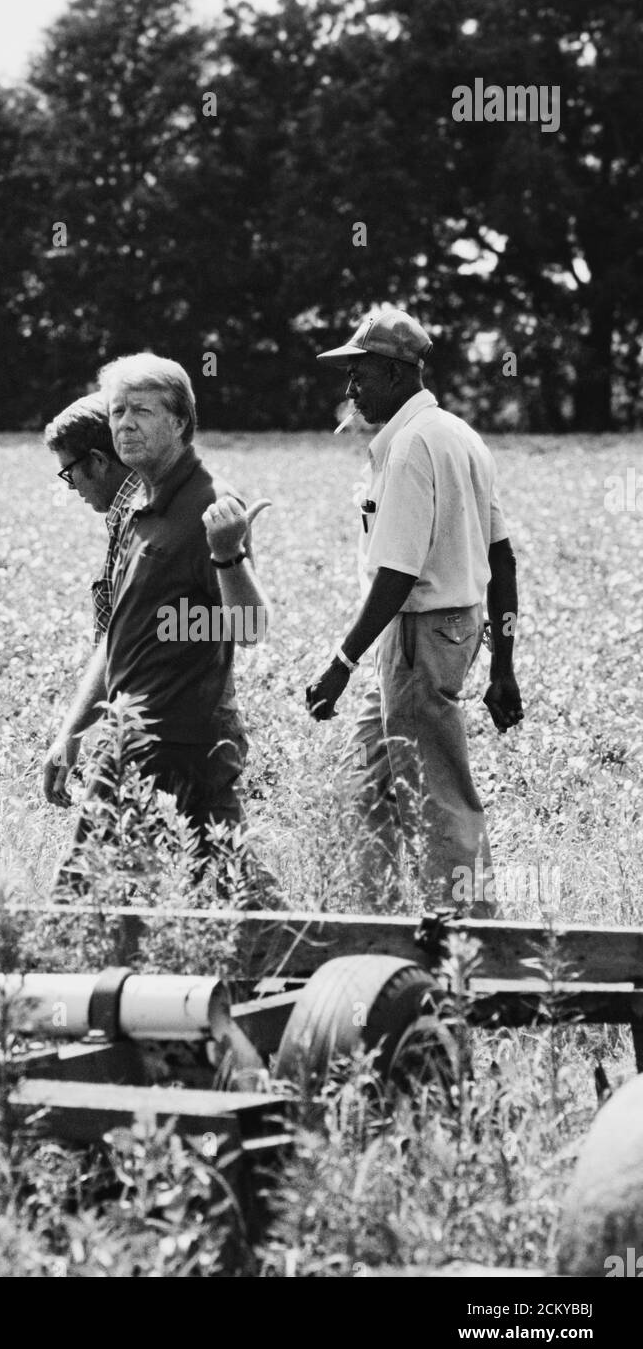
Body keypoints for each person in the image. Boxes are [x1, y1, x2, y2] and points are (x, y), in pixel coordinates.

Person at [306, 308, 523, 916]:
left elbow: (398, 574)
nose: (350, 388)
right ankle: (368, 920)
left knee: (436, 791)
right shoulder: (460, 434)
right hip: (444, 630)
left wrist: (341, 661)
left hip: (420, 635)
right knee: (370, 779)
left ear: (399, 373)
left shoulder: (411, 447)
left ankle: (469, 943)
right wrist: (502, 663)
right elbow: (500, 558)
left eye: (360, 373)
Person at [43, 353, 272, 891]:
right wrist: (73, 730)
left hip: (187, 738)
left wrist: (228, 554)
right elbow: (116, 636)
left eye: (141, 411)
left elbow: (250, 627)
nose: (125, 423)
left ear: (180, 422)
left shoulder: (210, 506)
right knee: (226, 893)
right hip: (137, 736)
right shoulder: (137, 507)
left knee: (82, 897)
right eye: (118, 411)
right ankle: (291, 962)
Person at [44, 392, 141, 644]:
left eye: (69, 472)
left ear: (98, 460)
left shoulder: (136, 520)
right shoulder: (160, 500)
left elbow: (124, 645)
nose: (71, 487)